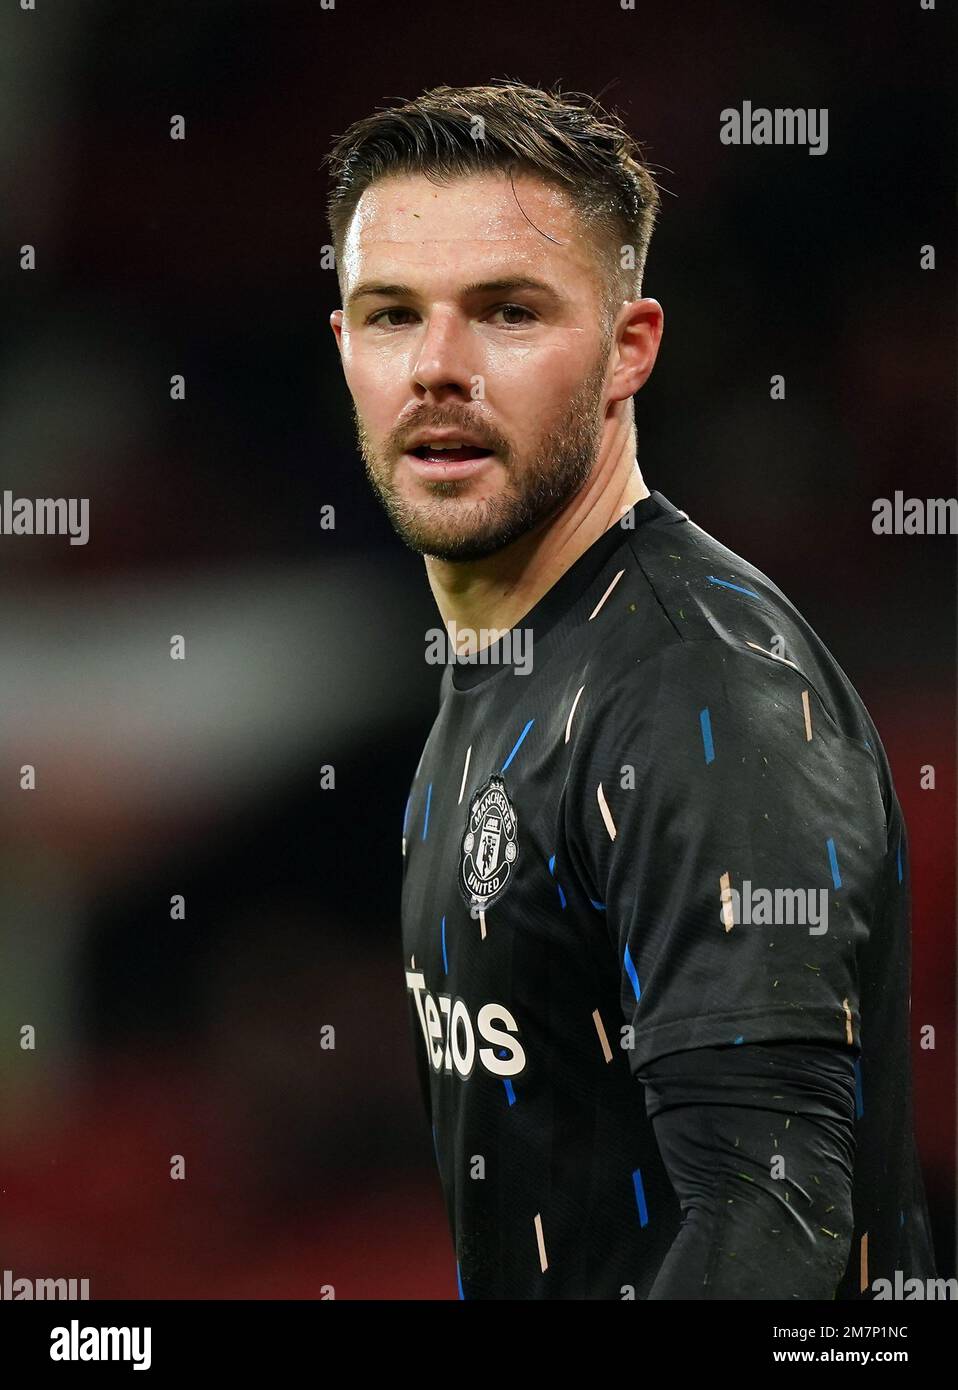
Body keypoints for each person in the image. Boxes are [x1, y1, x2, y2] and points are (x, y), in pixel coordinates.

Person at [325, 80, 937, 1299]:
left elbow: (770, 1217)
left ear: (627, 348)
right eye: (392, 314)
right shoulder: (509, 662)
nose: (438, 368)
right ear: (343, 344)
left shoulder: (697, 689)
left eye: (507, 312)